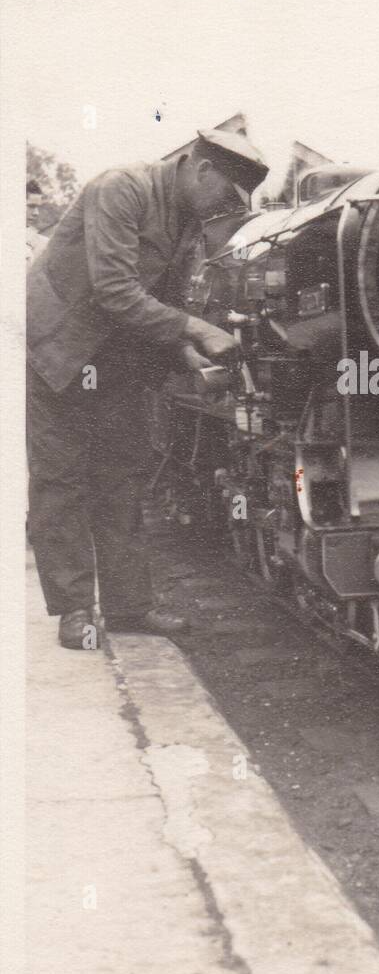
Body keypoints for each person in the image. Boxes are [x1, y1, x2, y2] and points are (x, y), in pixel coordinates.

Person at [26, 127, 269, 649]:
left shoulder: (188, 221)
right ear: (201, 169)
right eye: (226, 193)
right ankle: (74, 611)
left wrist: (187, 353)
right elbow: (114, 291)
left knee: (121, 476)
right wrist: (197, 330)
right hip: (60, 349)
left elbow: (168, 304)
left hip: (118, 356)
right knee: (63, 480)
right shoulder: (122, 189)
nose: (225, 207)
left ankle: (129, 607)